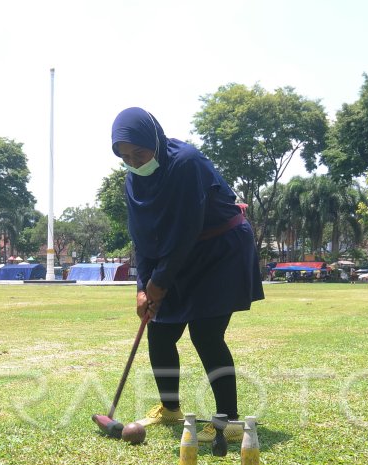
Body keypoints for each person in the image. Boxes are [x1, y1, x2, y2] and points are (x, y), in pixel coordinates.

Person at [111, 108, 263, 443]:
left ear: (156, 141)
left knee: (206, 334)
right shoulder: (133, 180)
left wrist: (160, 282)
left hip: (219, 250)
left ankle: (229, 420)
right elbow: (143, 235)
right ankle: (170, 408)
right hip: (180, 254)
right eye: (126, 157)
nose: (135, 162)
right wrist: (142, 287)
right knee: (160, 330)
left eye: (140, 153)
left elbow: (185, 230)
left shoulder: (186, 163)